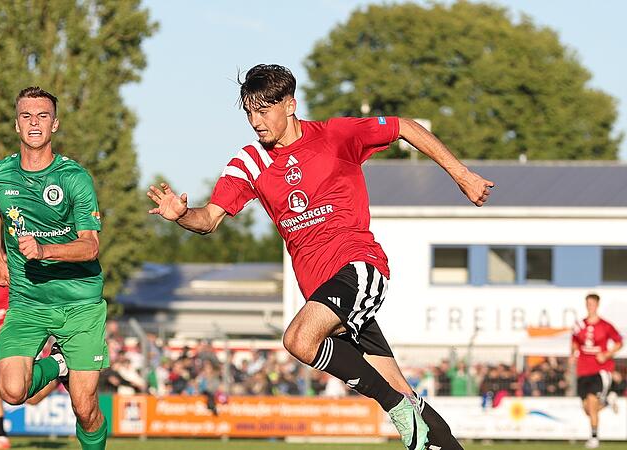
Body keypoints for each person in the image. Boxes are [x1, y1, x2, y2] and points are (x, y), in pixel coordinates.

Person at [147, 64, 493, 450]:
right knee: (405, 393)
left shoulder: (335, 136)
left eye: (263, 111)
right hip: (324, 292)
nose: (255, 122)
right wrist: (181, 217)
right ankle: (421, 424)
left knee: (298, 339)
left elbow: (404, 126)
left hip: (359, 266)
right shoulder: (249, 162)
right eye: (249, 112)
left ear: (290, 104)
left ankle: (393, 406)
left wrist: (462, 175)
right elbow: (209, 219)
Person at [0, 86, 109, 450]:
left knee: (84, 409)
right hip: (28, 302)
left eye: (42, 116)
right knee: (10, 389)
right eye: (26, 116)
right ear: (16, 124)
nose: (34, 123)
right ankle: (59, 365)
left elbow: (90, 245)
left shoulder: (74, 178)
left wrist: (43, 249)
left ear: (55, 124)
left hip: (80, 304)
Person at [0, 246, 61, 450]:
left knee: (29, 398)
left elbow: (17, 307)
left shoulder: (10, 276)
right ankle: (0, 438)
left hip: (15, 336)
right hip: (4, 338)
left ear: (4, 256)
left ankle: (58, 372)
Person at [571, 293, 623, 449]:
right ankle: (608, 400)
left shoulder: (606, 325)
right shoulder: (579, 325)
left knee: (592, 404)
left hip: (600, 371)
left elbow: (619, 342)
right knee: (587, 409)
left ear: (597, 305)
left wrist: (606, 354)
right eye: (588, 303)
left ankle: (594, 438)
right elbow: (574, 342)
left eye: (592, 303)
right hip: (583, 371)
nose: (590, 306)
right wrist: (573, 354)